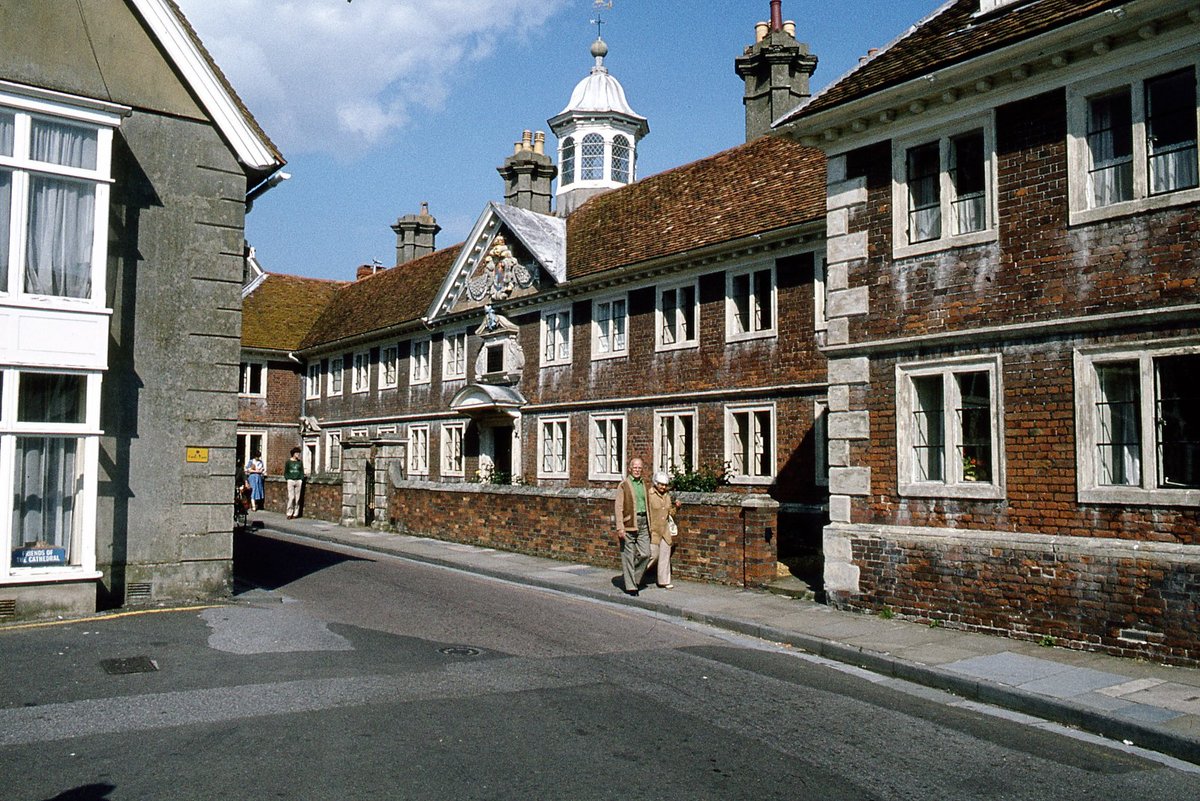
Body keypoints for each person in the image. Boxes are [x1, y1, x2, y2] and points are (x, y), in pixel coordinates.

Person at [614, 457, 652, 596]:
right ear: (630, 469)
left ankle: (632, 577)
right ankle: (631, 587)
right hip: (629, 524)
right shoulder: (623, 485)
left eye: (639, 468)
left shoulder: (644, 484)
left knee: (646, 554)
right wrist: (620, 527)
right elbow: (618, 507)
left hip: (643, 522)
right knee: (628, 556)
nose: (637, 470)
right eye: (635, 467)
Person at [646, 471, 680, 589]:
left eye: (665, 485)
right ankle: (636, 575)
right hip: (653, 530)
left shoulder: (667, 496)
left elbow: (670, 513)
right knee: (653, 555)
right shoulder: (649, 495)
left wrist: (676, 508)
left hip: (665, 530)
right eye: (661, 484)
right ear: (655, 483)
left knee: (665, 555)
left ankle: (664, 581)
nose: (663, 487)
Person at [284, 447, 305, 519]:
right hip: (291, 480)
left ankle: (296, 513)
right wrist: (288, 478)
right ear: (293, 454)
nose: (298, 454)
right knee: (291, 497)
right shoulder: (288, 462)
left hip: (298, 480)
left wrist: (301, 479)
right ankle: (289, 512)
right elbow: (286, 472)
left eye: (299, 453)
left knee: (297, 498)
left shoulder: (300, 462)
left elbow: (302, 471)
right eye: (297, 453)